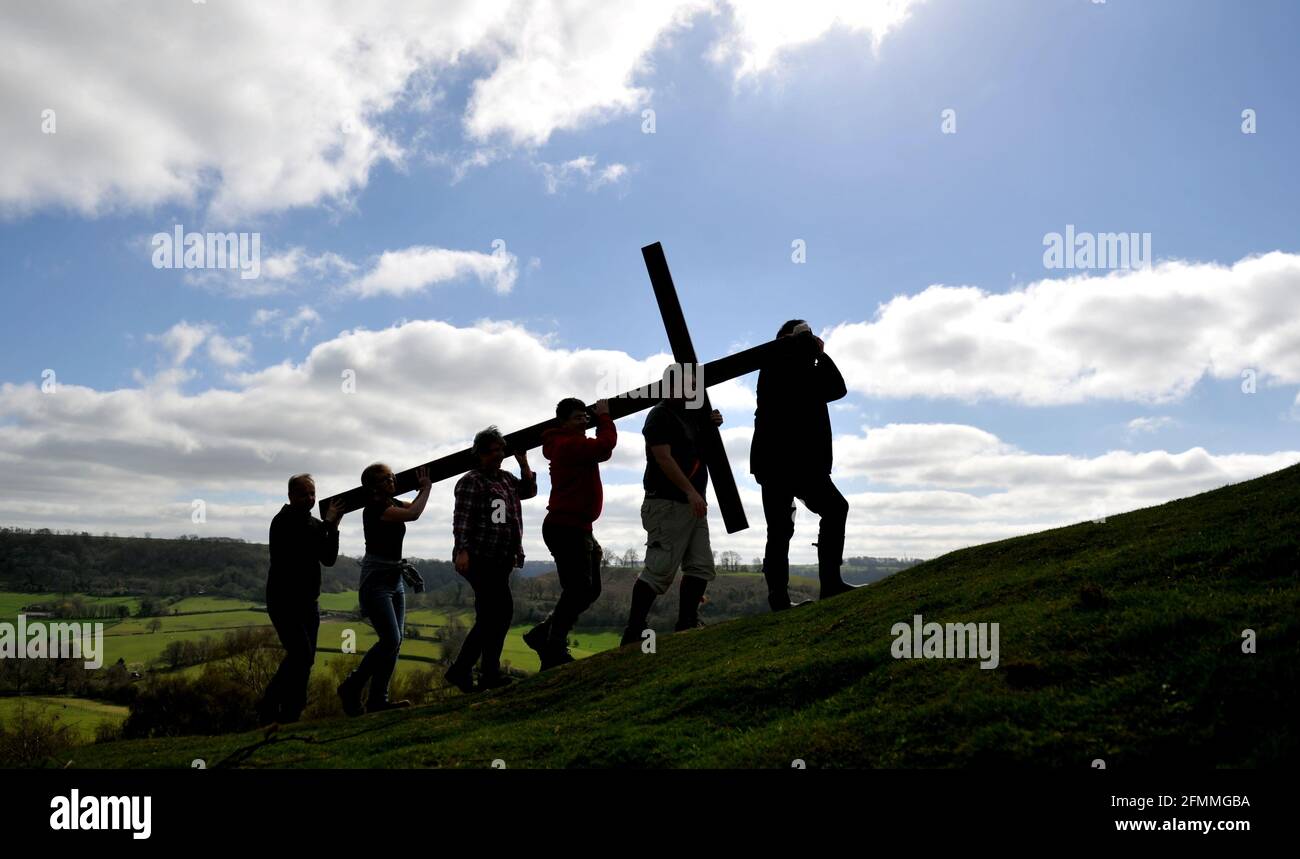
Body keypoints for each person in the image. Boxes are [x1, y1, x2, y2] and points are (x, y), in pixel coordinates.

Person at [750, 319, 859, 610]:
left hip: (796, 461)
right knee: (783, 527)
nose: (810, 338)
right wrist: (811, 348)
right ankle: (785, 596)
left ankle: (827, 584)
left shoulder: (806, 368)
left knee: (812, 517)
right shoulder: (778, 363)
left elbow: (838, 389)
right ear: (786, 338)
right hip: (785, 461)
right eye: (803, 334)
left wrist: (820, 355)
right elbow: (811, 382)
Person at [621, 373, 724, 646]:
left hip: (693, 505)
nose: (694, 389)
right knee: (659, 570)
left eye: (695, 385)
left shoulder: (687, 416)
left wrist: (710, 424)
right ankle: (634, 633)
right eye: (688, 385)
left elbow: (693, 449)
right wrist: (690, 492)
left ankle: (686, 623)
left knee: (701, 566)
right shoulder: (660, 415)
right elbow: (663, 457)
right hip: (666, 503)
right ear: (672, 387)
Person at [524, 397, 617, 669]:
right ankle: (553, 646)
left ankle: (544, 633)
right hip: (566, 526)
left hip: (578, 527)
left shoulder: (571, 444)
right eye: (578, 417)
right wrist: (604, 417)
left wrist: (596, 420)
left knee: (589, 589)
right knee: (578, 588)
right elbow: (605, 447)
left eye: (585, 417)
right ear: (563, 422)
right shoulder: (568, 444)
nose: (584, 421)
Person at [336, 463, 432, 716]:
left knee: (395, 642)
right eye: (384, 478)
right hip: (377, 580)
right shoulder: (375, 508)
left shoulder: (391, 502)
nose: (391, 480)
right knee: (390, 639)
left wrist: (420, 491)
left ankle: (378, 699)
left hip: (394, 579)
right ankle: (352, 686)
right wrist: (426, 488)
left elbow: (411, 508)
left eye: (392, 477)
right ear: (372, 485)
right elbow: (414, 514)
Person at [446, 427, 538, 692]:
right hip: (479, 558)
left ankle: (478, 672)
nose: (500, 455)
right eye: (495, 450)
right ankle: (474, 672)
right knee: (496, 614)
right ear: (482, 453)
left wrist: (523, 463)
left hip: (501, 558)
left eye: (501, 450)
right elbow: (461, 517)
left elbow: (529, 491)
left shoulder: (507, 479)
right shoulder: (471, 481)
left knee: (494, 616)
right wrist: (462, 549)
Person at [258, 473, 343, 725]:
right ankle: (269, 705)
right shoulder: (283, 521)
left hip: (308, 602)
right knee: (301, 655)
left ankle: (290, 714)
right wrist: (327, 525)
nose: (310, 498)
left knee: (306, 660)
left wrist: (333, 528)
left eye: (312, 494)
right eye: (304, 493)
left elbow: (328, 558)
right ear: (290, 496)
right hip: (284, 601)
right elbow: (303, 546)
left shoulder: (315, 524)